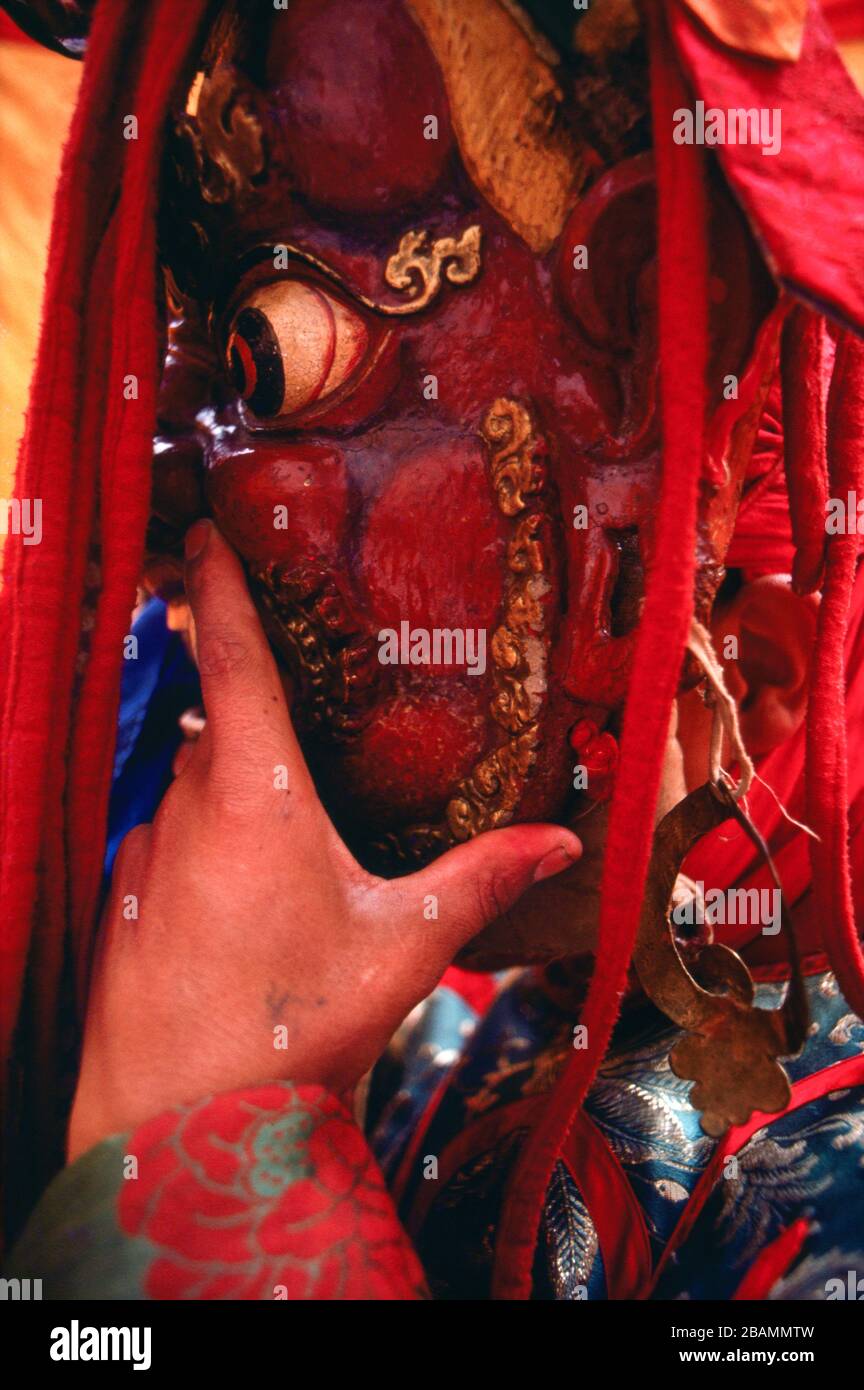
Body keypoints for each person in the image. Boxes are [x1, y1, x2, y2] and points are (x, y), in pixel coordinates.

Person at [3, 0, 864, 1299]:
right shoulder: (426, 1046)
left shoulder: (821, 1177)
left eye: (269, 353)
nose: (164, 508)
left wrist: (205, 1149)